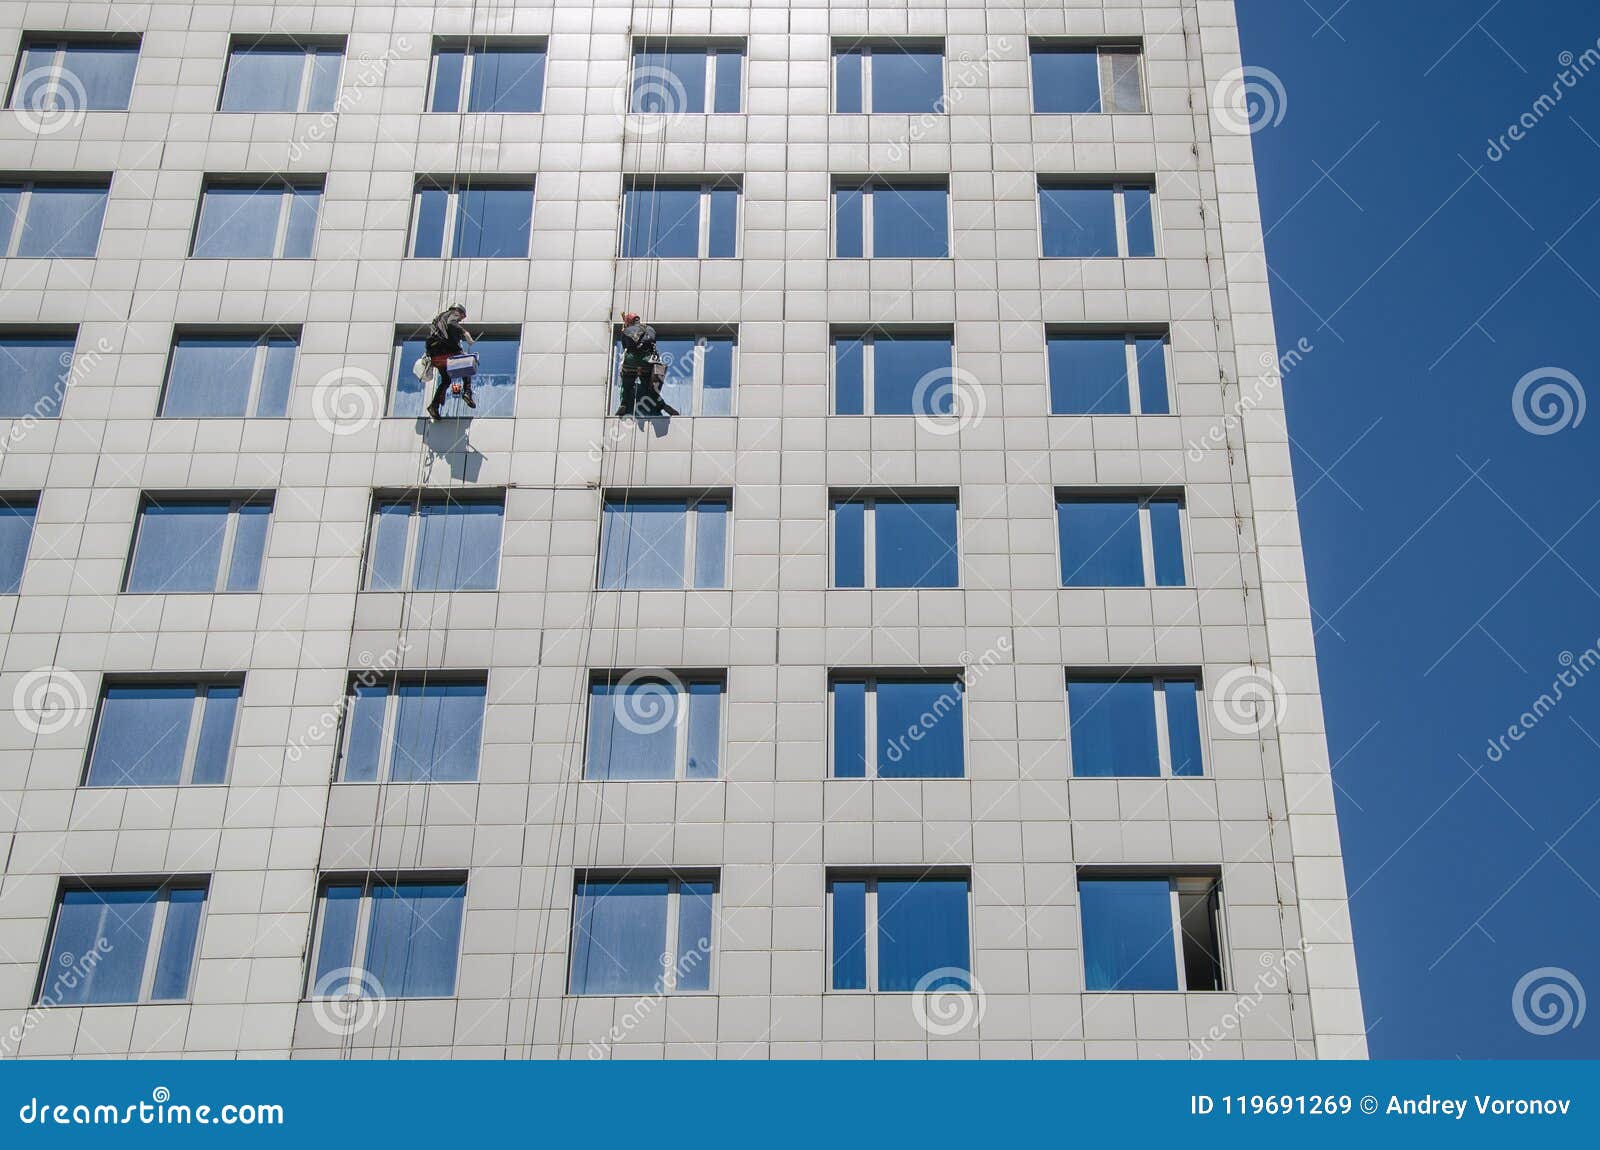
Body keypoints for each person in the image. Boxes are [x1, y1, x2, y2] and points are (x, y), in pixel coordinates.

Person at [616, 311, 678, 417]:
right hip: (647, 360)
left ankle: (624, 403)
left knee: (626, 383)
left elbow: (625, 345)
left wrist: (625, 330)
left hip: (631, 359)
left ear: (629, 321)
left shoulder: (626, 331)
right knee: (650, 387)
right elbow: (653, 340)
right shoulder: (649, 329)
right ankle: (661, 404)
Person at [425, 304, 477, 421]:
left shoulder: (439, 318)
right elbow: (451, 323)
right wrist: (465, 333)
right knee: (467, 362)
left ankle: (434, 406)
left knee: (446, 380)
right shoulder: (452, 315)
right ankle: (467, 392)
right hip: (444, 349)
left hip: (435, 354)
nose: (460, 319)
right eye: (462, 317)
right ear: (458, 311)